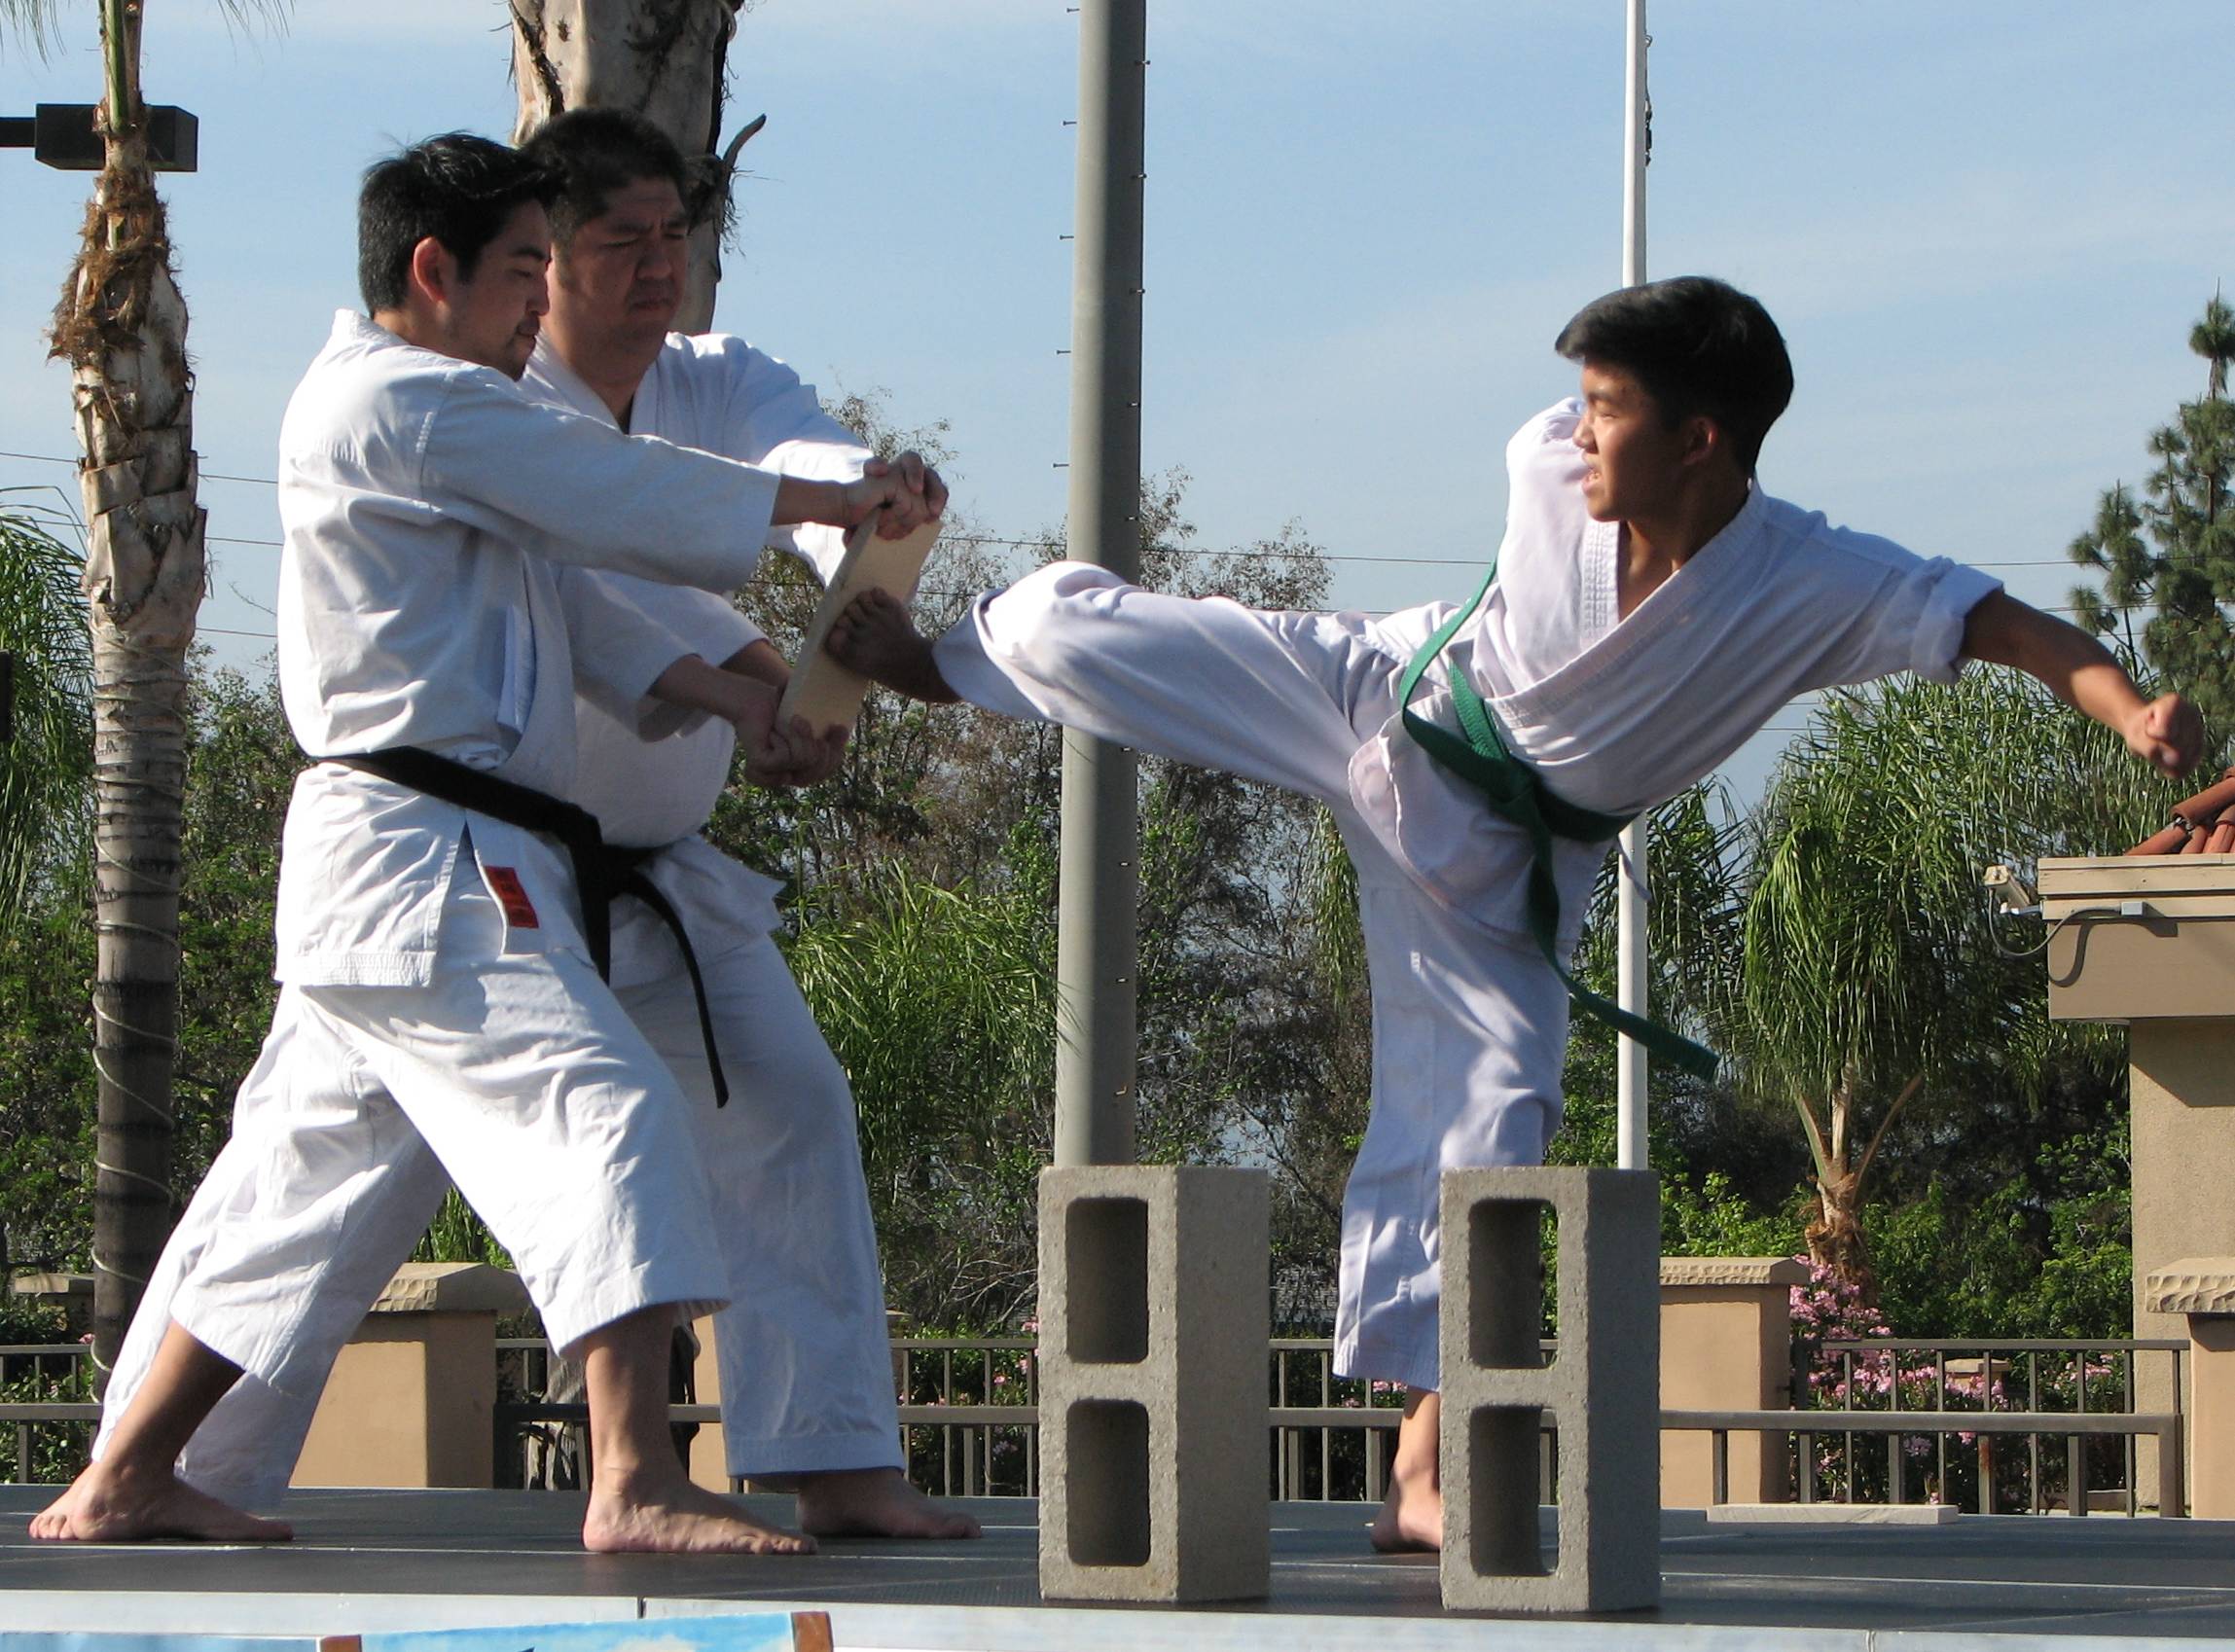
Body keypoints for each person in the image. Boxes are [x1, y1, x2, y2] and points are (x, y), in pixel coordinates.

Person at [826, 274, 2205, 1552]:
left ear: (1703, 439)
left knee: (1490, 1125)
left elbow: (2010, 626)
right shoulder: (1546, 458)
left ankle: (1421, 1468)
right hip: (1386, 696)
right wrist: (1600, 387)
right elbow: (1580, 427)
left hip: (1498, 867)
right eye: (1586, 402)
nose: (1582, 433)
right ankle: (935, 663)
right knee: (1087, 635)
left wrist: (2128, 707)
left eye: (1613, 410)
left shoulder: (1811, 583)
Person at [32, 132, 932, 1553]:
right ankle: (630, 1478)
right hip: (426, 852)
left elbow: (587, 610)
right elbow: (619, 499)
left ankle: (130, 1469)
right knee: (607, 1110)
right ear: (433, 270)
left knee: (301, 1180)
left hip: (420, 856)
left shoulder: (459, 419)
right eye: (528, 270)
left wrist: (750, 688)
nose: (542, 305)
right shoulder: (408, 402)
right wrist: (829, 507)